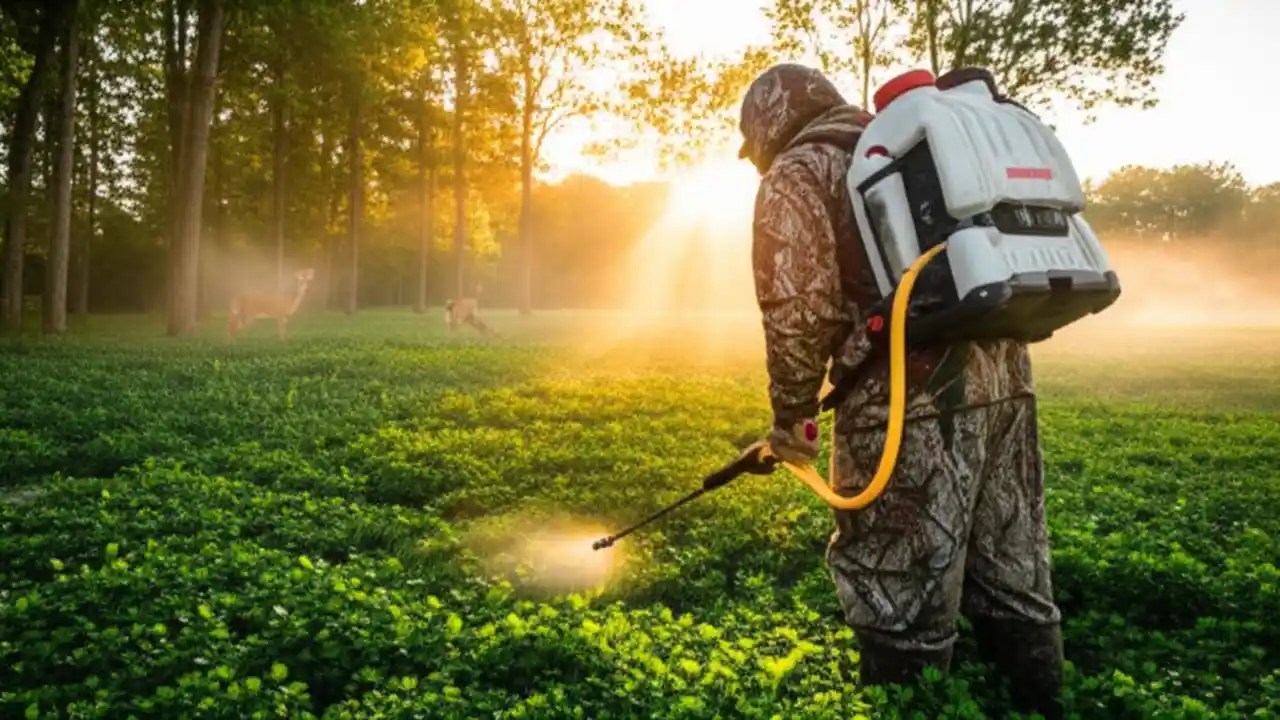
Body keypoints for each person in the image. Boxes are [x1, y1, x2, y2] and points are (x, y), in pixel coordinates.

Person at [738, 63, 1064, 719]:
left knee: (897, 590)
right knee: (1012, 571)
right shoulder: (906, 148)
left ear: (769, 120)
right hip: (1005, 376)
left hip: (905, 401)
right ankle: (1044, 703)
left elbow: (798, 310)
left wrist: (792, 418)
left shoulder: (800, 172)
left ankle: (907, 706)